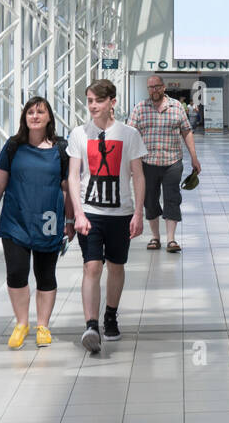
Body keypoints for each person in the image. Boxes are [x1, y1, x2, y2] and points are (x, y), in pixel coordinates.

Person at [0, 96, 74, 350]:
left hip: (48, 221)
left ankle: (42, 325)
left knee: (45, 275)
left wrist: (70, 219)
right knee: (16, 273)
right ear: (25, 117)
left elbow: (67, 188)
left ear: (49, 118)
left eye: (40, 112)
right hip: (15, 221)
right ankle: (22, 323)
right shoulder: (13, 147)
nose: (35, 116)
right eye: (30, 112)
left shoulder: (60, 149)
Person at [67, 79, 147, 352]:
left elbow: (138, 175)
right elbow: (73, 176)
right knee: (92, 266)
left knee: (115, 266)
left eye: (98, 101)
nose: (92, 106)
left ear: (112, 102)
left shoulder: (129, 134)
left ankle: (110, 315)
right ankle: (91, 325)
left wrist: (138, 212)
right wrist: (78, 213)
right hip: (91, 213)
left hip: (120, 213)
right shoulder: (79, 134)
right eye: (89, 101)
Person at [128, 75, 202, 254]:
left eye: (157, 86)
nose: (154, 90)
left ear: (163, 87)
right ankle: (155, 237)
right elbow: (131, 134)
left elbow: (187, 132)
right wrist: (130, 163)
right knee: (150, 201)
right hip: (147, 163)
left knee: (172, 199)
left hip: (172, 162)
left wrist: (194, 157)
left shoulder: (176, 106)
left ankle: (171, 239)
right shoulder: (140, 108)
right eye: (151, 87)